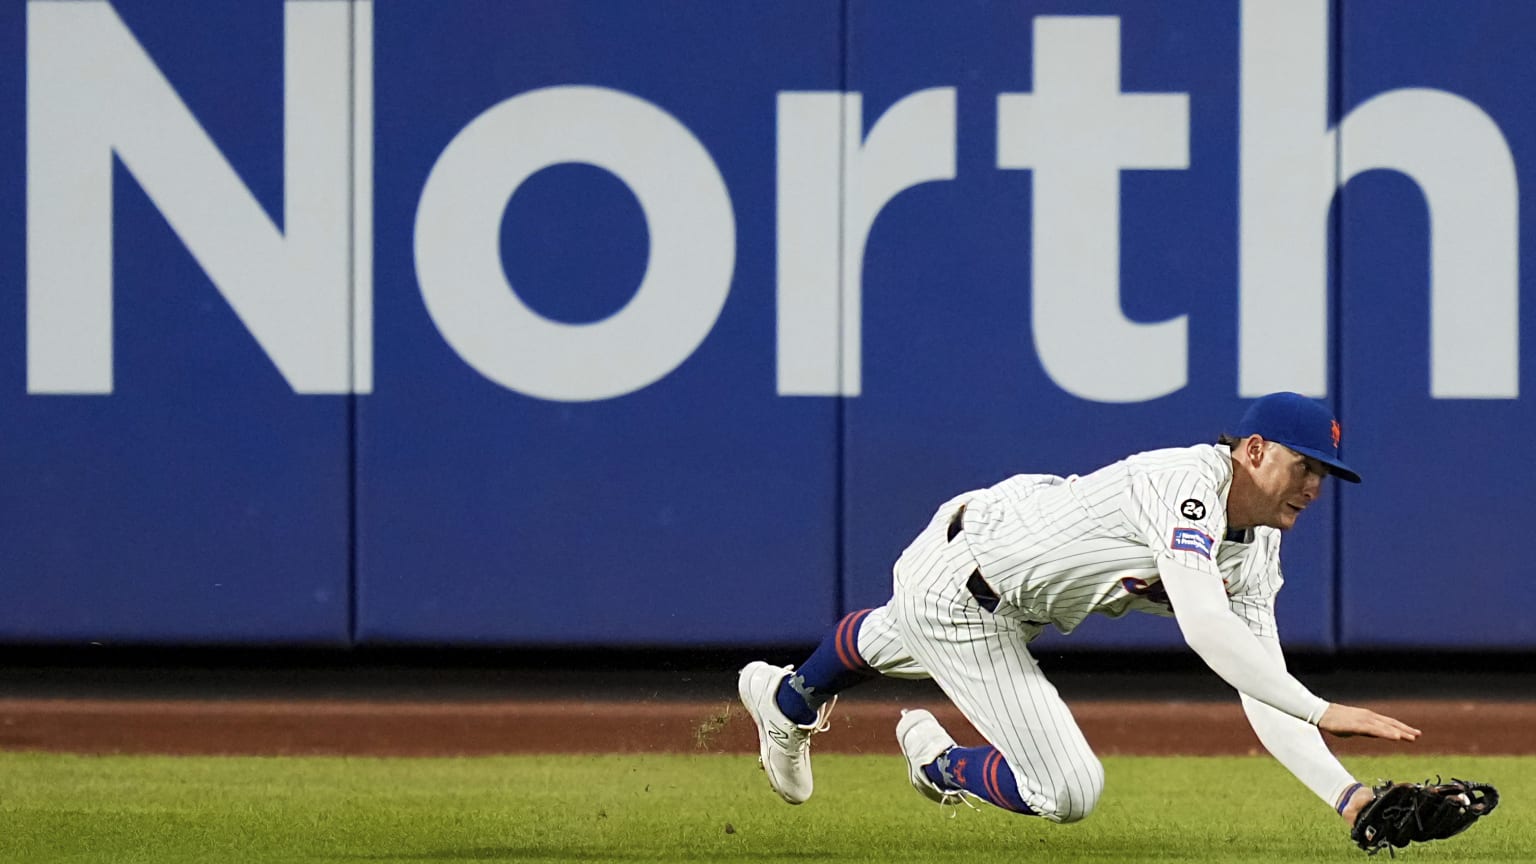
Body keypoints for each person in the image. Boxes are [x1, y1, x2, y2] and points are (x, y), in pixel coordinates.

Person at [738, 391, 1417, 828]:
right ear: (1254, 450)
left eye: (1324, 475)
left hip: (1011, 566)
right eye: (1304, 466)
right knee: (1068, 791)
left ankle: (788, 701)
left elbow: (1260, 684)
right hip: (969, 589)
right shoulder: (1188, 485)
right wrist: (1325, 710)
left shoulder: (1258, 548)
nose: (1314, 486)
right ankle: (936, 763)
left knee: (895, 631)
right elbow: (1209, 630)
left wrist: (1348, 797)